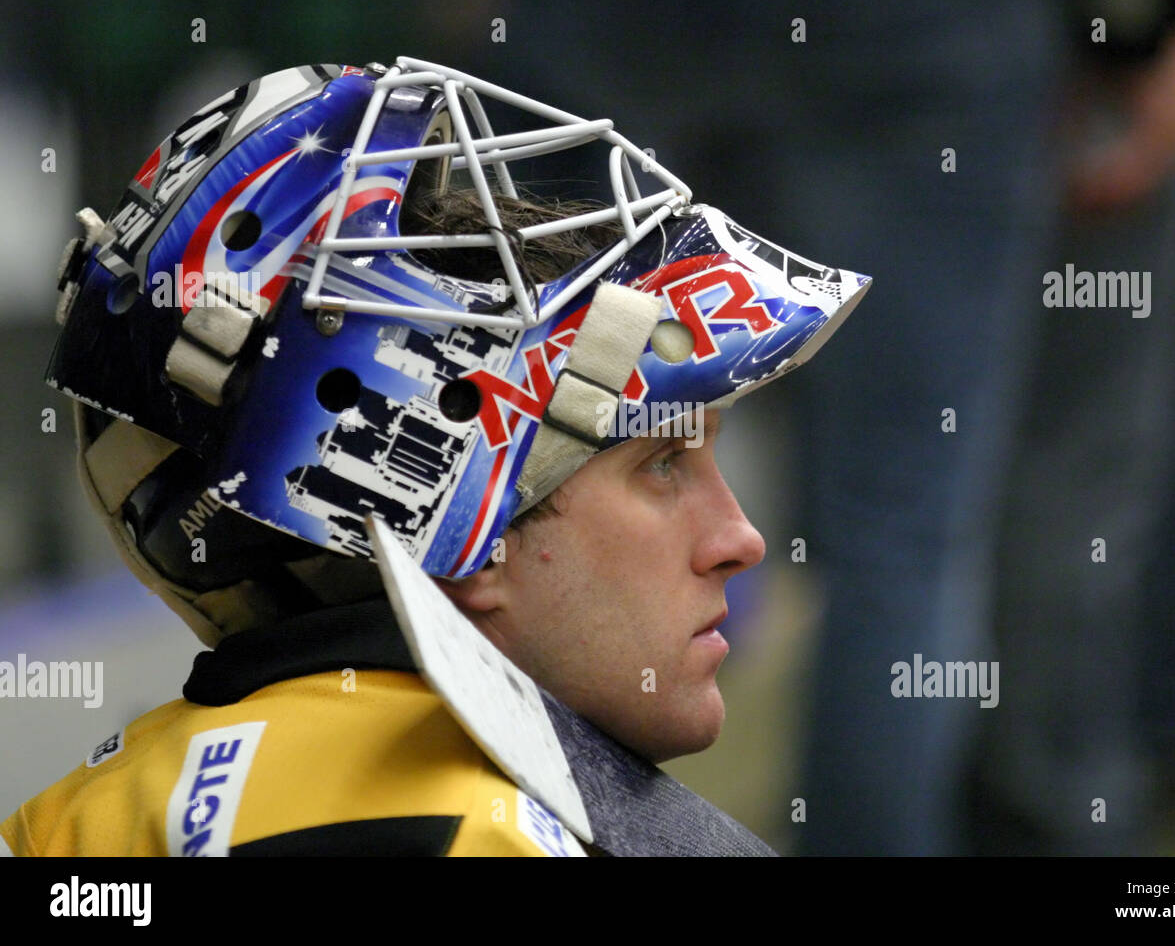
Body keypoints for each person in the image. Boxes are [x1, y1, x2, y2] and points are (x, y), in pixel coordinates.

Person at [0, 57, 868, 856]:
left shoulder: (76, 823)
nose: (741, 539)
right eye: (661, 466)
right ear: (460, 525)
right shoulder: (484, 836)